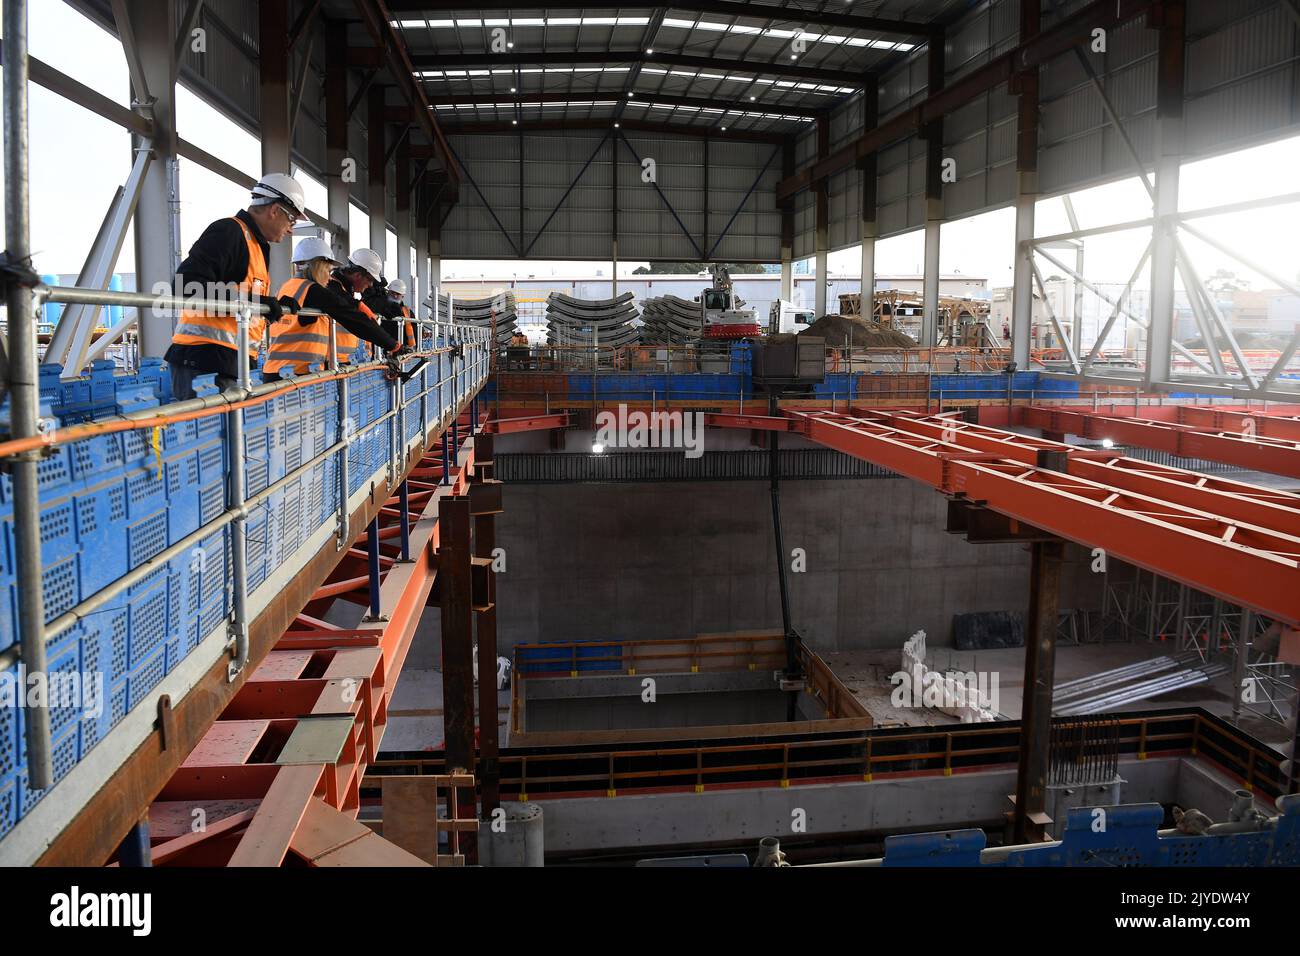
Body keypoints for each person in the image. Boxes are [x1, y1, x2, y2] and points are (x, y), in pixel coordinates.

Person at [166, 173, 308, 400]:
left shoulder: (255, 245)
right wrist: (256, 304)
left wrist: (269, 307)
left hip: (228, 363)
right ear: (274, 210)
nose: (291, 229)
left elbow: (241, 295)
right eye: (291, 220)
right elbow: (186, 285)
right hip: (204, 363)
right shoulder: (230, 232)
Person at [263, 238, 405, 381]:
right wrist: (393, 346)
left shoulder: (285, 287)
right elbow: (354, 319)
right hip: (296, 375)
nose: (329, 276)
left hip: (275, 371)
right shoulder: (314, 291)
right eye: (328, 270)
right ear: (317, 267)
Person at [331, 248, 388, 365]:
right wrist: (393, 345)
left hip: (341, 361)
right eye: (370, 280)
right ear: (357, 275)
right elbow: (360, 320)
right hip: (329, 363)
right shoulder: (333, 288)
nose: (371, 285)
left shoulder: (344, 291)